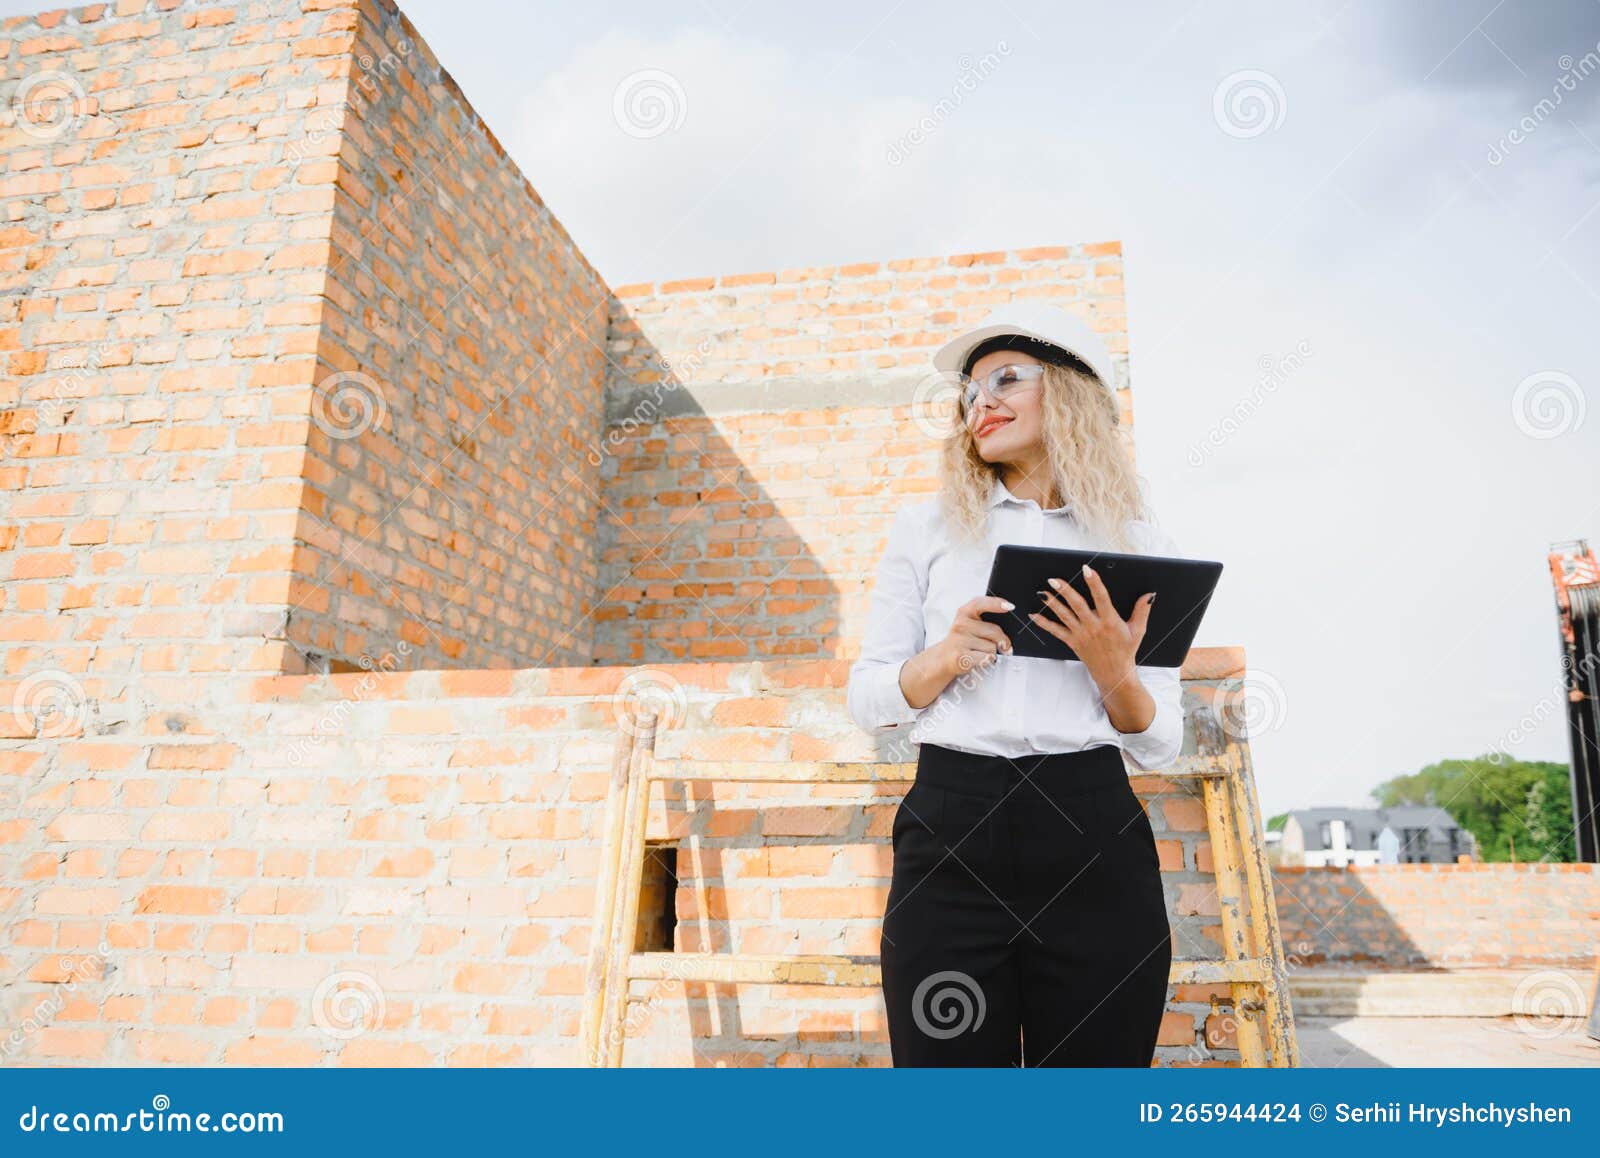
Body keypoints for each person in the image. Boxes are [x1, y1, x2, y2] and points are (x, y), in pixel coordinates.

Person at [847, 302, 1181, 1067]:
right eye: (969, 393)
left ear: (1067, 392)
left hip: (1092, 833)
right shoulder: (926, 529)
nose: (980, 402)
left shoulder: (1137, 543)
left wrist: (1114, 673)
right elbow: (868, 699)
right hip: (950, 829)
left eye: (1006, 379)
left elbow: (1164, 741)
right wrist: (941, 660)